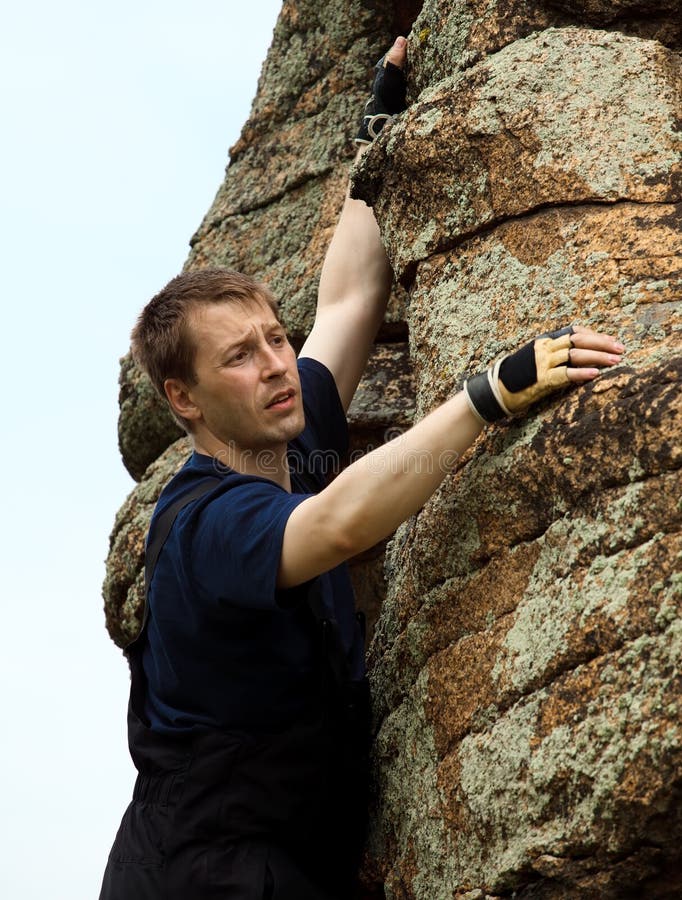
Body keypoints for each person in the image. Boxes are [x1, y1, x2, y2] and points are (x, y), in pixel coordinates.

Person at [100, 37, 625, 900]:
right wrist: (486, 396)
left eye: (275, 338)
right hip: (201, 872)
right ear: (182, 398)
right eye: (239, 356)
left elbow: (348, 299)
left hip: (293, 855)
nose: (276, 365)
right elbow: (337, 524)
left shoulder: (286, 426)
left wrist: (374, 149)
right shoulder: (202, 527)